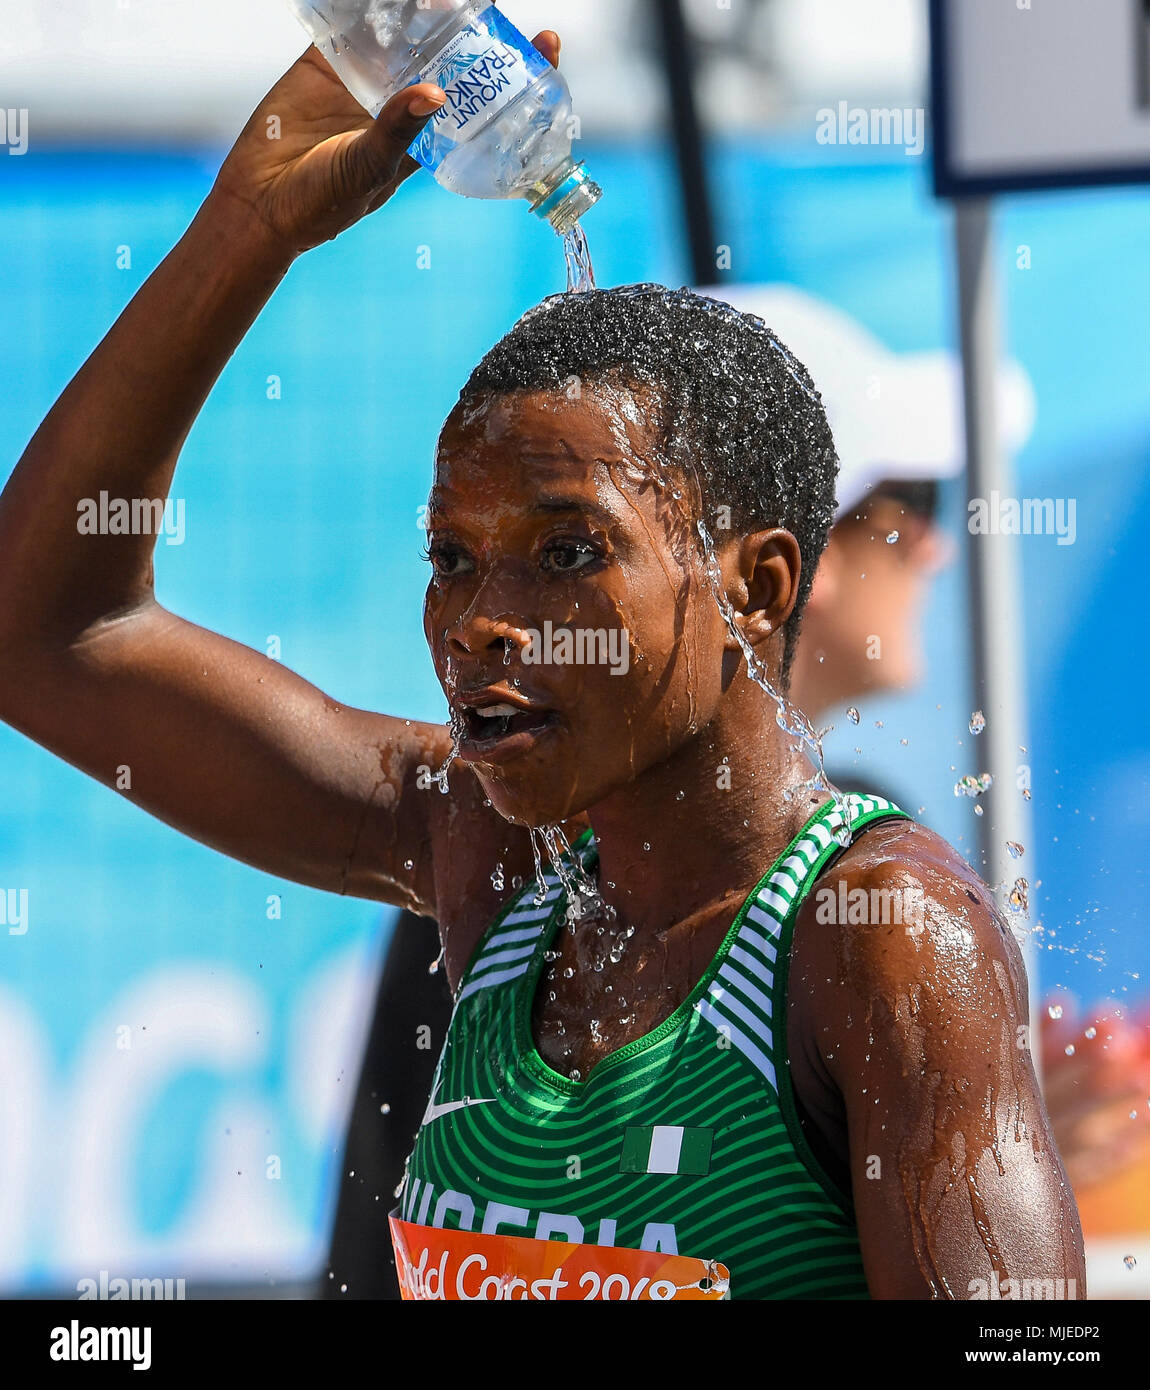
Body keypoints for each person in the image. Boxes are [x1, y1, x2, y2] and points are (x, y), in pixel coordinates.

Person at [0, 34, 1084, 1299]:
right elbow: (47, 636)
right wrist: (248, 231)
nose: (478, 622)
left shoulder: (883, 940)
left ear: (755, 585)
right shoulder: (489, 858)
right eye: (450, 557)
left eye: (567, 552)